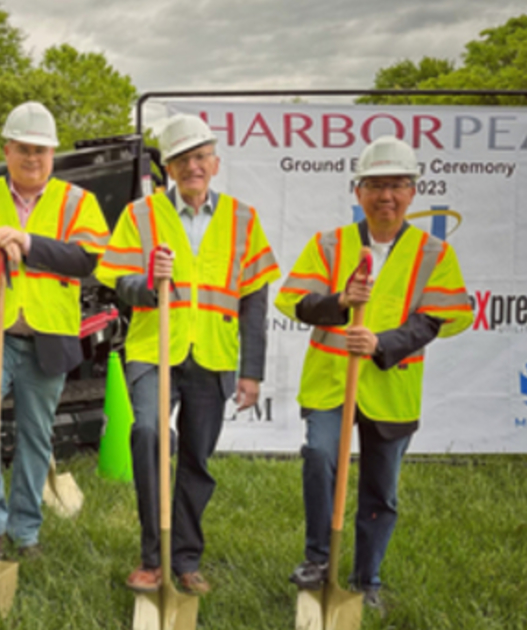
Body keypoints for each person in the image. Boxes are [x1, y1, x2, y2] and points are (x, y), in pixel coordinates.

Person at [276, 135, 473, 611]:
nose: (387, 195)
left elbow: (441, 316)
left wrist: (383, 343)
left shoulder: (433, 253)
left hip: (392, 386)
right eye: (376, 185)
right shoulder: (329, 244)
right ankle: (319, 561)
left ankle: (368, 581)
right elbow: (295, 301)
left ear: (412, 192)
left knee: (381, 490)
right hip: (330, 382)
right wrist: (340, 304)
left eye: (398, 185)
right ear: (358, 191)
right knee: (320, 458)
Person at [96, 114, 280, 595]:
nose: (193, 166)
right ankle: (152, 558)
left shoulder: (243, 218)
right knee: (150, 433)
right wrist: (149, 284)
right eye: (182, 159)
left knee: (197, 458)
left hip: (214, 355)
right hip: (151, 349)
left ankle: (186, 560)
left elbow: (254, 300)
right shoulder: (141, 214)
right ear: (170, 169)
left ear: (215, 162)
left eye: (201, 157)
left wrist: (252, 372)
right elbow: (117, 283)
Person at [0, 101, 109, 566]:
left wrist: (29, 244)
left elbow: (89, 259)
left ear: (53, 155)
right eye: (25, 149)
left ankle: (26, 532)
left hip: (47, 337)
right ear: (7, 149)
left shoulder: (78, 201)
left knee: (35, 434)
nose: (33, 158)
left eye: (42, 151)